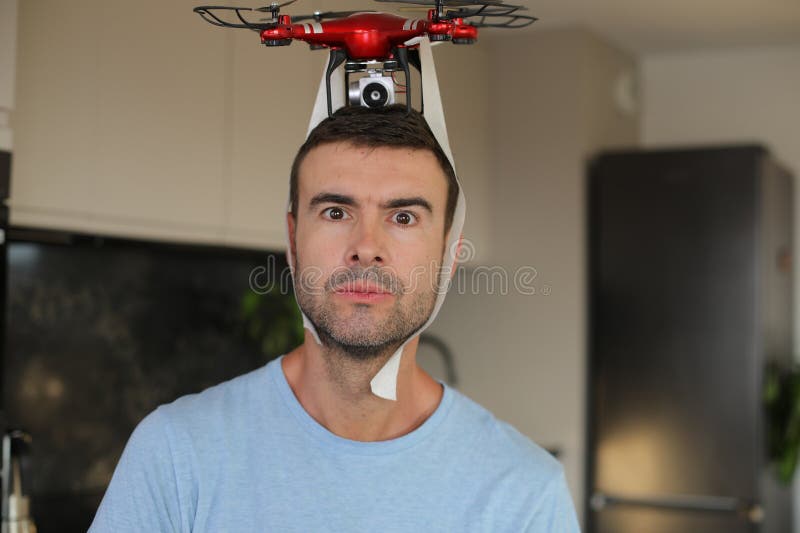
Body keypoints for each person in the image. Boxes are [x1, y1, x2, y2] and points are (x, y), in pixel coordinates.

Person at [88, 105, 581, 532]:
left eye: (403, 217)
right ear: (293, 239)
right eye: (335, 212)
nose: (366, 247)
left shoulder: (524, 492)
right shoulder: (176, 456)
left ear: (449, 254)